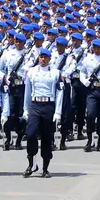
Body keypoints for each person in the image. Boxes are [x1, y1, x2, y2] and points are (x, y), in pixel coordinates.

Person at [21, 47, 62, 178]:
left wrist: (58, 112)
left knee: (46, 137)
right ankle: (32, 163)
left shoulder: (55, 73)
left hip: (49, 105)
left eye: (45, 57)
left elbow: (60, 92)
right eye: (41, 57)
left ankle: (45, 168)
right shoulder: (31, 72)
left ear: (49, 59)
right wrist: (26, 109)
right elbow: (27, 91)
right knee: (31, 134)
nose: (43, 59)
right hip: (35, 104)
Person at [79, 39, 100, 152]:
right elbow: (82, 72)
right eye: (95, 48)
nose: (96, 50)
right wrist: (84, 81)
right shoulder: (87, 59)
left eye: (98, 48)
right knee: (90, 114)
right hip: (92, 90)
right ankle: (89, 139)